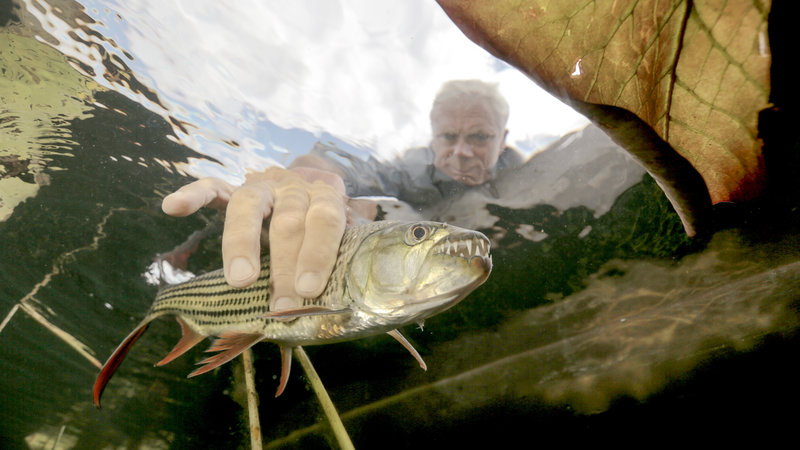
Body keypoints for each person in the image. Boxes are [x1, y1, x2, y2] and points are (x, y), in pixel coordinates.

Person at [161, 80, 522, 313]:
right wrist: (306, 179)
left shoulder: (527, 177)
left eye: (479, 138)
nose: (460, 152)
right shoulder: (411, 169)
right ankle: (188, 248)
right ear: (432, 137)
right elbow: (345, 169)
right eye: (447, 137)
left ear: (503, 139)